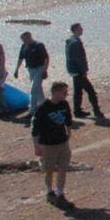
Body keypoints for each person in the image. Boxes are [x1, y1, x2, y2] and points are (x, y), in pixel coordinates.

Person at [31, 80, 75, 209]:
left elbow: (68, 120)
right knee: (49, 170)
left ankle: (60, 193)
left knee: (63, 168)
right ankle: (49, 192)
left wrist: (69, 132)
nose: (66, 95)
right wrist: (36, 146)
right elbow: (35, 128)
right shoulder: (43, 107)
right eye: (64, 92)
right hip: (48, 144)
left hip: (62, 141)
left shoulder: (64, 104)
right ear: (55, 92)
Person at [65, 23, 103, 119]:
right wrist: (83, 71)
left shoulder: (70, 41)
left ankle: (77, 111)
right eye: (80, 28)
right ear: (75, 30)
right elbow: (79, 59)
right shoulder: (75, 43)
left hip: (74, 70)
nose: (82, 30)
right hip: (78, 71)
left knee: (78, 91)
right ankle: (96, 110)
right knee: (90, 91)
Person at [14, 31, 49, 118]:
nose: (23, 41)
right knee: (39, 90)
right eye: (22, 39)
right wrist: (16, 69)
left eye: (24, 39)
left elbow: (46, 58)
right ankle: (46, 107)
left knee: (33, 89)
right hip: (30, 69)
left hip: (39, 68)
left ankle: (32, 111)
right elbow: (20, 58)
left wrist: (45, 70)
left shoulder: (39, 45)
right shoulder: (24, 46)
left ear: (29, 37)